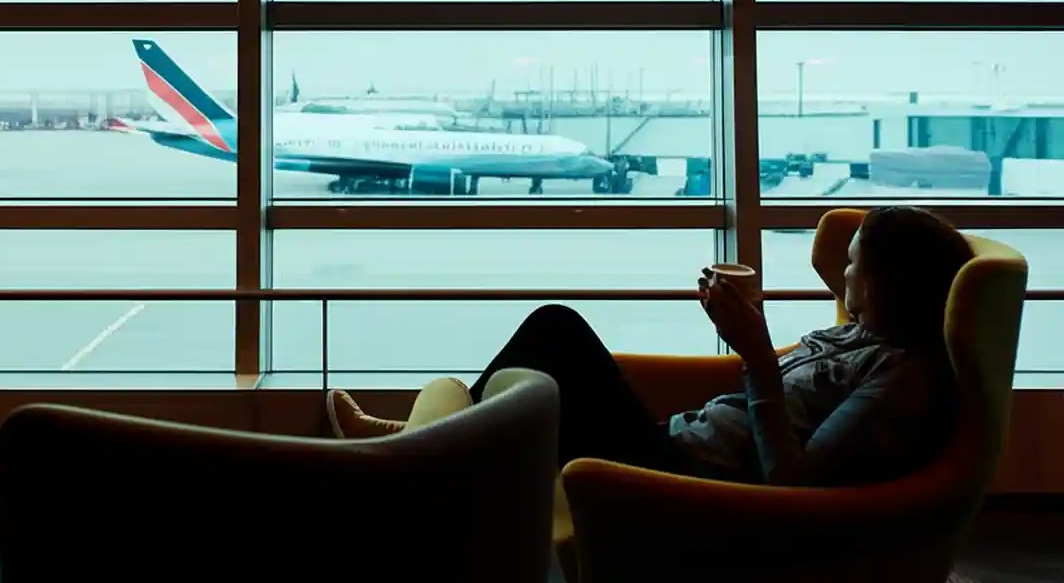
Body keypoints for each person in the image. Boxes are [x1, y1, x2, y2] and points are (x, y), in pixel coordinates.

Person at [328, 205, 974, 487]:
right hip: (675, 441)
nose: (843, 275)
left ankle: (413, 448)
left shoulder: (899, 376)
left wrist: (754, 356)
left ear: (892, 282)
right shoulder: (856, 333)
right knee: (552, 340)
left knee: (555, 330)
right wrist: (747, 340)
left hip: (685, 477)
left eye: (856, 265)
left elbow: (795, 486)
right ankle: (424, 437)